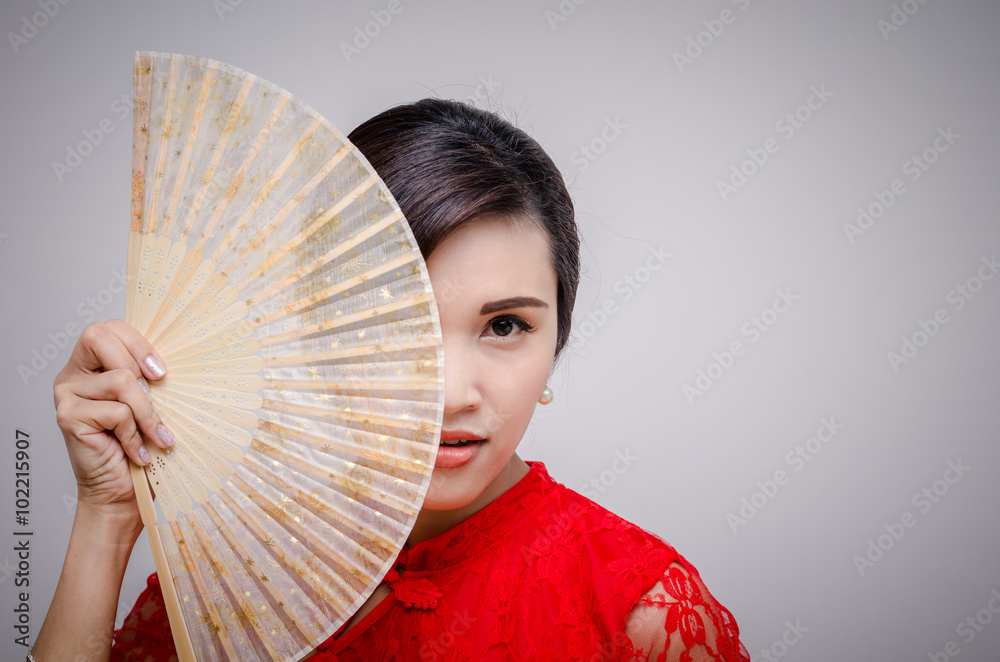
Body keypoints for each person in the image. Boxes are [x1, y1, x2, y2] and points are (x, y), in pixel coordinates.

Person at [34, 98, 749, 661]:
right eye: (400, 325)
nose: (450, 394)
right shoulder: (232, 583)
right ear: (319, 336)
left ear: (556, 339)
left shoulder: (643, 611)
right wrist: (108, 516)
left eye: (506, 326)